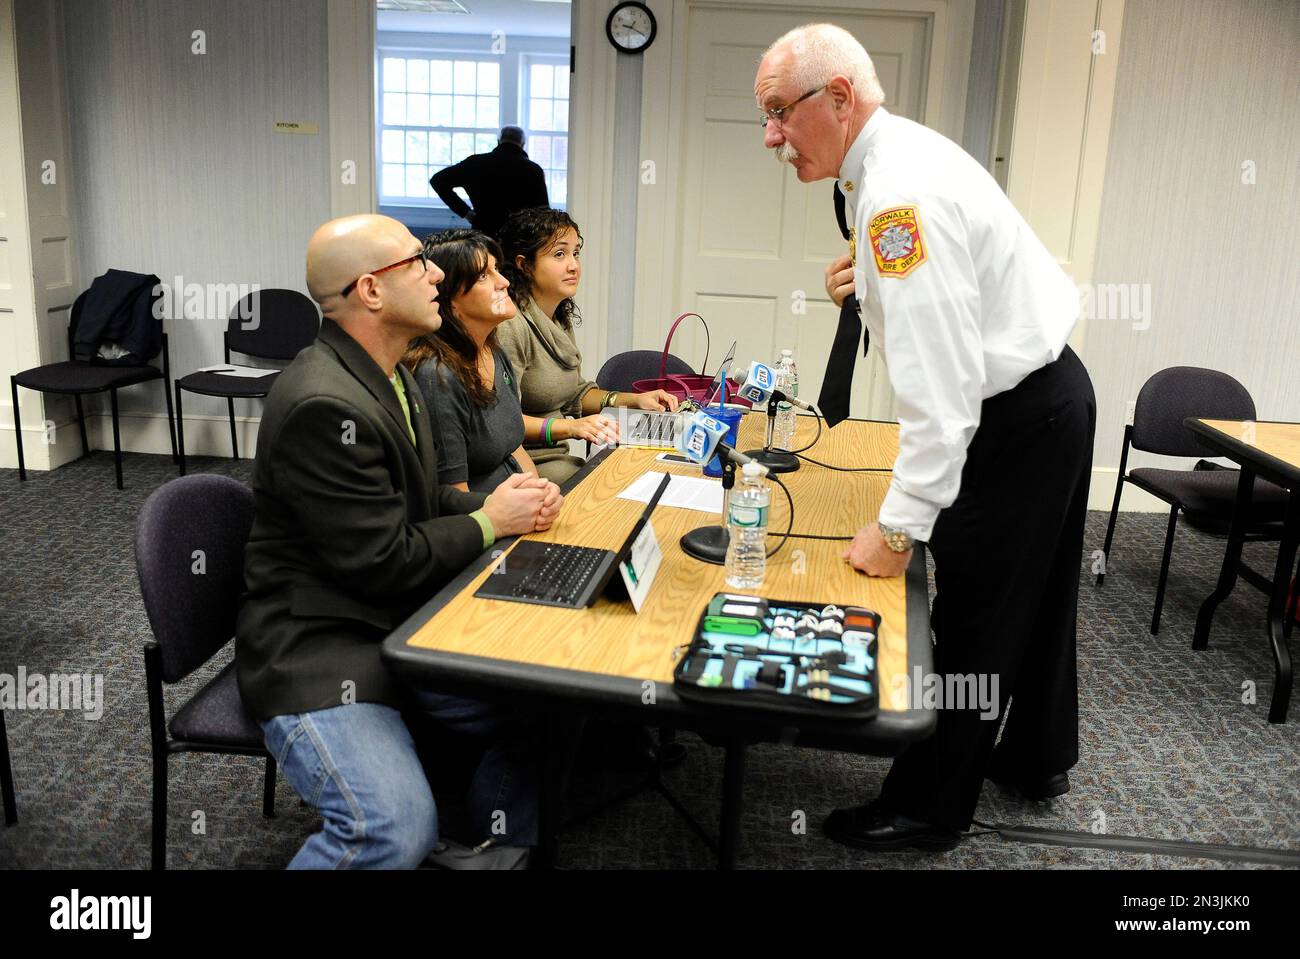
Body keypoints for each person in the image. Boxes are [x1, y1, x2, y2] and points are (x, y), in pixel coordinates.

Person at [754, 24, 1096, 851]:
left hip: (1014, 418)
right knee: (1035, 593)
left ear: (838, 99)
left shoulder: (896, 199)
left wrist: (900, 527)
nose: (770, 136)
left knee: (977, 612)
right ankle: (1033, 754)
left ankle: (931, 806)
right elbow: (952, 291)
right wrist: (868, 279)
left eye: (777, 113)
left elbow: (941, 398)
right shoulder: (892, 157)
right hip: (1051, 394)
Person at [236, 213, 564, 869]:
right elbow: (385, 559)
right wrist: (487, 522)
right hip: (321, 651)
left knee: (552, 692)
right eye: (418, 262)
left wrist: (500, 506)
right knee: (390, 828)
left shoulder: (388, 373)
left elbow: (417, 501)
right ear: (371, 291)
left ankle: (487, 842)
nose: (438, 271)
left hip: (389, 620)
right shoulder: (323, 404)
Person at [496, 207, 680, 484]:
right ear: (524, 264)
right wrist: (572, 427)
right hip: (525, 467)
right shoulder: (511, 326)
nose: (573, 265)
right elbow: (502, 423)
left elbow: (572, 395)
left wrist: (633, 400)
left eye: (576, 253)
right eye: (559, 254)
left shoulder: (557, 316)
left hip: (559, 458)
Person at [404, 230, 540, 493]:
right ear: (451, 300)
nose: (503, 282)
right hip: (483, 522)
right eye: (482, 276)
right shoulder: (438, 376)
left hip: (520, 506)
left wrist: (541, 493)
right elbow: (454, 498)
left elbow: (514, 448)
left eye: (497, 269)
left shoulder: (493, 350)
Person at [430, 125, 550, 239]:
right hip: (518, 236)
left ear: (499, 141)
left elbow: (438, 180)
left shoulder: (475, 163)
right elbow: (543, 210)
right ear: (522, 144)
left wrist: (465, 212)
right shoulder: (533, 170)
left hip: (483, 232)